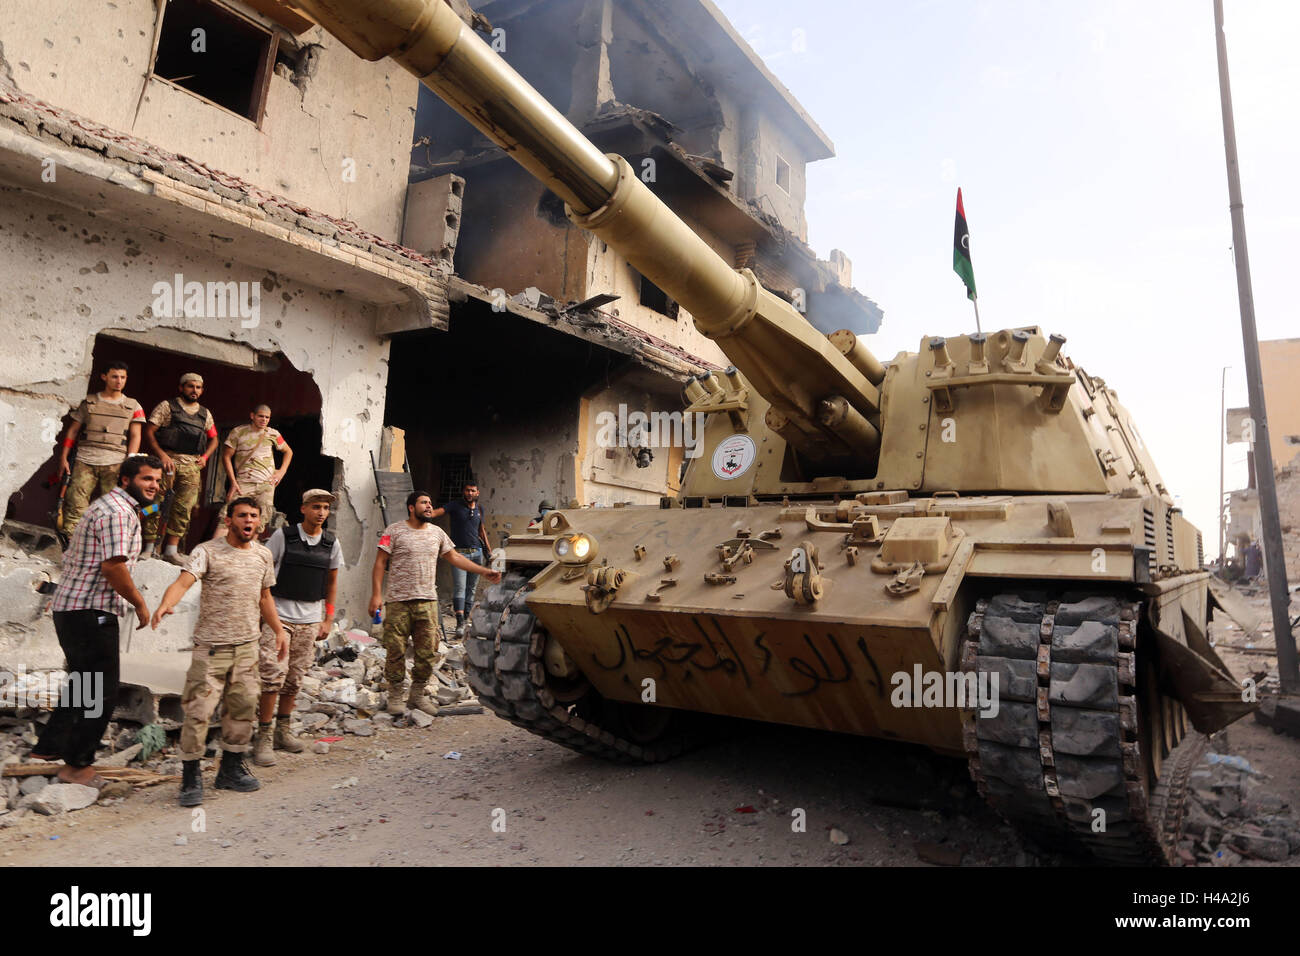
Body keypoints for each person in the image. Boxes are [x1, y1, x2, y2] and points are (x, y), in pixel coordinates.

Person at [31, 455, 162, 786]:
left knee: (82, 682)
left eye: (158, 481)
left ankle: (49, 747)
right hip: (92, 612)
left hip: (74, 609)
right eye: (147, 479)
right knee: (100, 692)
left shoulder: (112, 506)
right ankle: (77, 765)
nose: (154, 486)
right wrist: (140, 603)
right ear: (126, 480)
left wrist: (152, 508)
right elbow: (113, 567)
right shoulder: (118, 513)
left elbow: (147, 512)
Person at [152, 498, 287, 807]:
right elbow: (183, 582)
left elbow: (265, 596)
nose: (249, 521)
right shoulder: (207, 551)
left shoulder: (263, 556)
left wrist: (278, 631)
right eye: (242, 516)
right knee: (198, 711)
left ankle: (230, 769)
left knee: (241, 709)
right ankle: (190, 777)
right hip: (211, 649)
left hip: (247, 647)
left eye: (254, 516)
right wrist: (165, 604)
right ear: (230, 520)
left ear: (260, 522)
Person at [369, 490, 500, 717]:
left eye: (430, 503)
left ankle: (417, 695)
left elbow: (455, 557)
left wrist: (484, 571)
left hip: (427, 601)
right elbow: (380, 562)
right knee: (395, 651)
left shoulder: (437, 533)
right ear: (411, 507)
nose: (429, 506)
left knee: (428, 652)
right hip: (398, 601)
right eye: (423, 503)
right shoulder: (394, 531)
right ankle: (395, 695)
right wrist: (376, 595)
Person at [253, 489, 342, 766]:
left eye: (326, 508)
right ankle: (264, 736)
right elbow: (263, 573)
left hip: (310, 619)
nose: (322, 513)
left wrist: (328, 619)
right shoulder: (284, 536)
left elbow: (331, 583)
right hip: (279, 616)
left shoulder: (330, 542)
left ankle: (283, 730)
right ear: (303, 509)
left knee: (294, 678)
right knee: (272, 676)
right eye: (316, 507)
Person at [56, 360, 146, 535]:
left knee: (114, 509)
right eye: (114, 376)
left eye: (123, 377)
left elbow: (136, 435)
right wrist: (63, 457)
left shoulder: (133, 406)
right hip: (84, 460)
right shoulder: (89, 402)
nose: (119, 381)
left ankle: (104, 549)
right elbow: (73, 431)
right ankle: (70, 547)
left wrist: (130, 460)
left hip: (116, 463)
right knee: (75, 505)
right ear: (104, 377)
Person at [143, 372, 218, 563]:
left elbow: (214, 439)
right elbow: (149, 431)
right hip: (168, 462)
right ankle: (149, 547)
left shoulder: (205, 413)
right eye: (190, 386)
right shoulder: (168, 406)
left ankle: (171, 550)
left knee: (183, 508)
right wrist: (162, 455)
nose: (194, 391)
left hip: (191, 466)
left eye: (198, 387)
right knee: (155, 504)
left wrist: (205, 457)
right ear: (181, 387)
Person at [429, 481, 492, 636]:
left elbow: (481, 530)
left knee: (471, 589)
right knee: (460, 588)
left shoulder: (479, 509)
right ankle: (459, 622)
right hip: (459, 554)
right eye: (467, 490)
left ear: (477, 493)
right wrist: (425, 512)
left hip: (477, 554)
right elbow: (438, 512)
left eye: (473, 491)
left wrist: (489, 552)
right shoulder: (455, 505)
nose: (470, 493)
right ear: (464, 492)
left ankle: (466, 620)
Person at [221, 404, 293, 534]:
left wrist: (281, 472)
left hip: (266, 484)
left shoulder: (273, 433)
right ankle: (217, 551)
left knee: (259, 522)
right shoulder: (238, 432)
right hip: (243, 482)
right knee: (227, 516)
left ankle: (248, 552)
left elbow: (288, 452)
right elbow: (226, 457)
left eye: (267, 417)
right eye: (261, 416)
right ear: (252, 416)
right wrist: (233, 482)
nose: (264, 420)